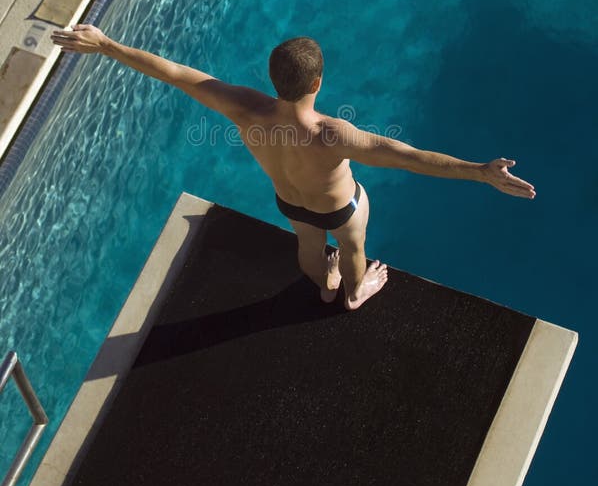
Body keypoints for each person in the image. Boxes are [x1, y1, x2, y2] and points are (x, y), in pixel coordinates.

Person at [51, 26, 536, 310]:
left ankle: (320, 286)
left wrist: (108, 45)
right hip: (339, 211)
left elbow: (174, 72)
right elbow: (407, 157)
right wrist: (478, 170)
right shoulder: (332, 135)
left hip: (290, 202)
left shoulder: (245, 108)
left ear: (271, 78)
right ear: (319, 82)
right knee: (352, 246)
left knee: (307, 246)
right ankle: (350, 293)